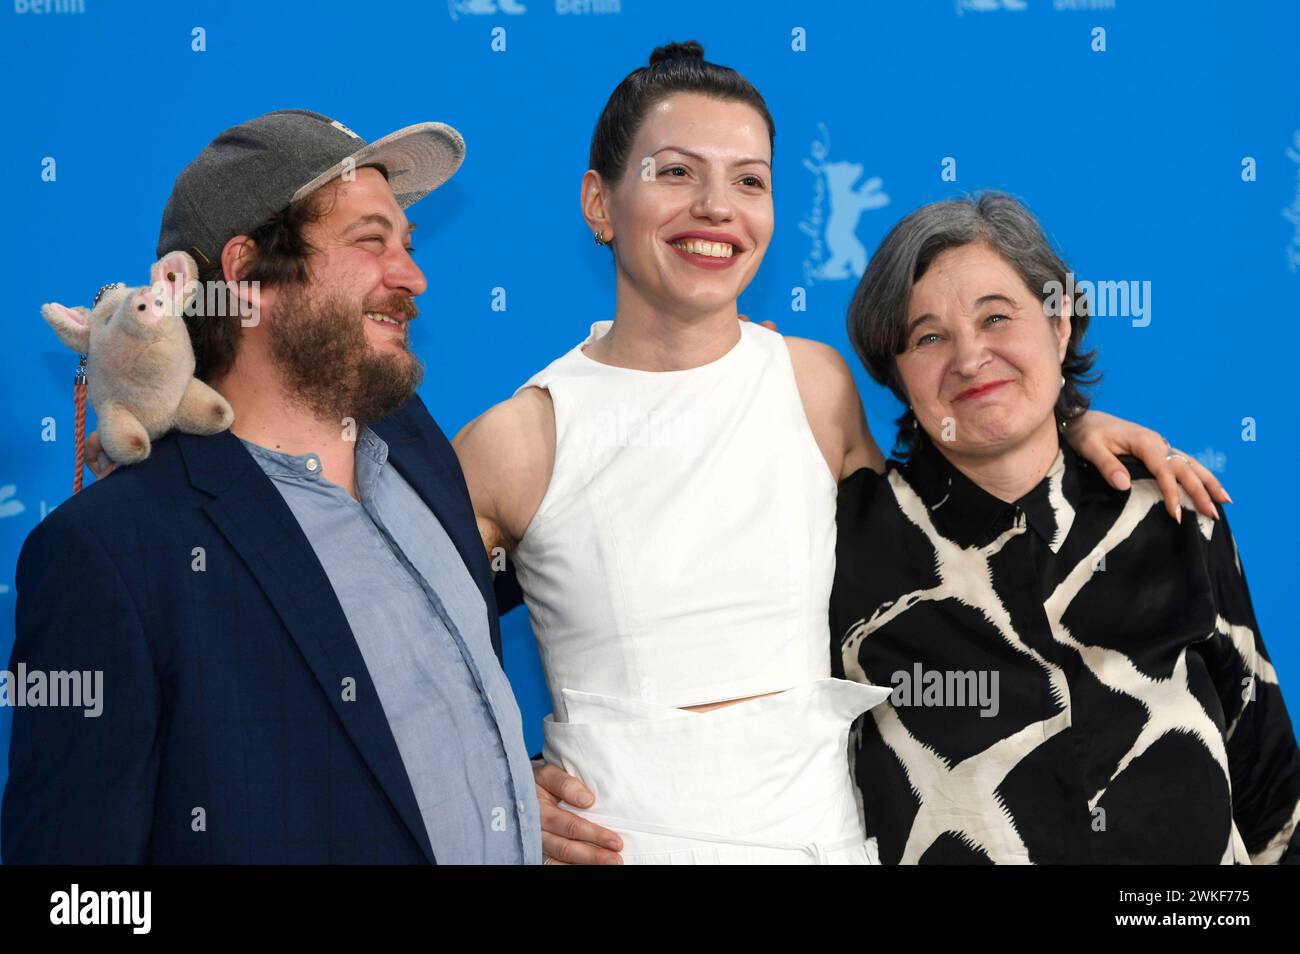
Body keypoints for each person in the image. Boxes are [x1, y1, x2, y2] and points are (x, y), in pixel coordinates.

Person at [455, 43, 1228, 864]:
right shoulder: (520, 438)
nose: (718, 206)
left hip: (825, 843)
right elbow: (390, 649)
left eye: (750, 179)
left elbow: (945, 509)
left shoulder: (812, 386)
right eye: (676, 172)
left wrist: (1065, 426)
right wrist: (488, 776)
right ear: (599, 203)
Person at [2, 110, 542, 864]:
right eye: (370, 242)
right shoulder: (115, 554)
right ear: (248, 277)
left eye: (407, 246)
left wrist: (508, 788)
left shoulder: (415, 442)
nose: (412, 276)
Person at [831, 192, 1300, 863]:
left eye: (997, 317)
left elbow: (1275, 801)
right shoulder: (847, 545)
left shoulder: (1172, 514)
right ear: (898, 375)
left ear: (1059, 327)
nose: (969, 357)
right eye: (928, 337)